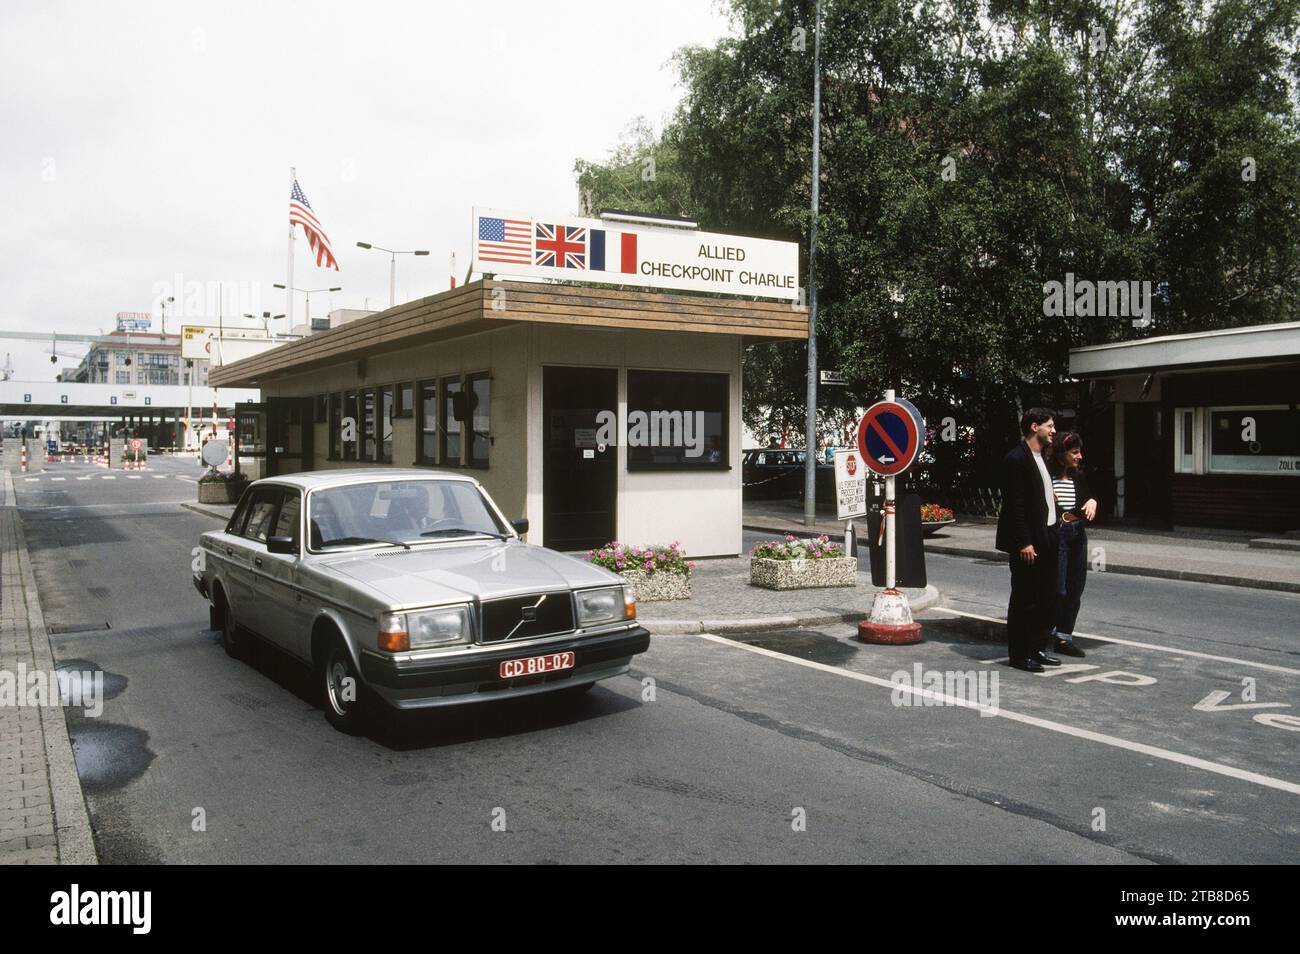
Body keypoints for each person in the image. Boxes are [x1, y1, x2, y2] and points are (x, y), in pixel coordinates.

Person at [994, 408, 1061, 673]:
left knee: (1046, 597)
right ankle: (1020, 655)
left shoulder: (1041, 457)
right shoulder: (1017, 459)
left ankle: (1036, 648)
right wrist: (1023, 542)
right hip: (1030, 540)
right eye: (1050, 426)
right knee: (1025, 598)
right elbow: (1015, 506)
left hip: (1048, 535)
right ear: (1035, 427)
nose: (1054, 430)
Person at [1045, 432, 1097, 658]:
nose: (1079, 456)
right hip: (1057, 534)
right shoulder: (1047, 476)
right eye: (1074, 452)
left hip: (1077, 534)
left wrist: (1093, 501)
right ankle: (1045, 633)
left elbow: (1088, 498)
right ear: (1061, 454)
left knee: (1075, 587)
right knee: (1058, 588)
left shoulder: (1078, 476)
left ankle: (1064, 639)